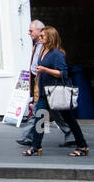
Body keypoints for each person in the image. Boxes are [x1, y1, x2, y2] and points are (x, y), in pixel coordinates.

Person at [24, 26, 88, 157]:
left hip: (56, 92)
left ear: (50, 37)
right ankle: (36, 146)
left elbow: (63, 73)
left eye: (42, 36)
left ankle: (82, 145)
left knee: (69, 120)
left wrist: (45, 70)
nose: (40, 38)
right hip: (44, 92)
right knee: (40, 118)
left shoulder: (57, 54)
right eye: (40, 36)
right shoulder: (43, 50)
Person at [18, 20, 73, 146]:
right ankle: (33, 140)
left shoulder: (54, 52)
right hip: (41, 83)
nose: (29, 33)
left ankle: (76, 138)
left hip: (51, 86)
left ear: (41, 31)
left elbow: (62, 72)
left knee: (45, 112)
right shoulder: (37, 46)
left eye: (31, 31)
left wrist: (44, 70)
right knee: (43, 112)